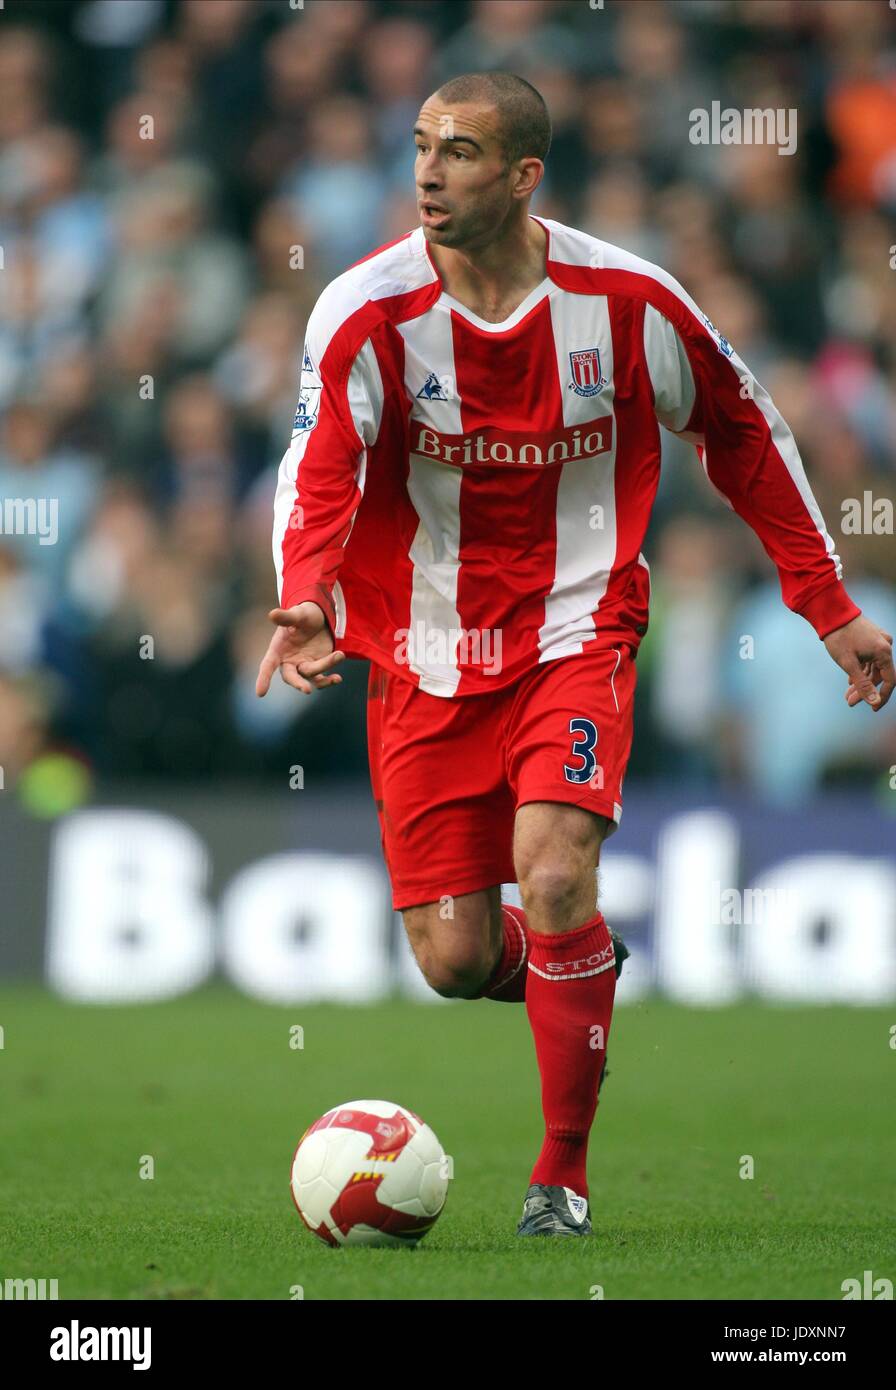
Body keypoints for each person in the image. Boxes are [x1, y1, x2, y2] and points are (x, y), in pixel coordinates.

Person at [256, 72, 895, 1238]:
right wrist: (303, 598)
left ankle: (561, 1176)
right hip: (418, 650)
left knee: (550, 871)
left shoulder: (630, 302)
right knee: (452, 960)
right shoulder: (361, 309)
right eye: (418, 146)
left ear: (521, 174)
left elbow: (743, 431)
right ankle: (579, 961)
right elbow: (320, 470)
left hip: (576, 627)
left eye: (458, 150)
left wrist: (826, 602)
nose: (428, 171)